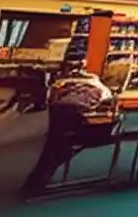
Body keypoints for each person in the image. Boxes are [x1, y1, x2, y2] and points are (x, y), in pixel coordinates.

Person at [21, 62, 117, 198]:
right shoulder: (97, 87)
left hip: (61, 128)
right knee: (115, 126)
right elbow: (101, 102)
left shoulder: (59, 87)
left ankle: (37, 181)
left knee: (54, 148)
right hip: (79, 132)